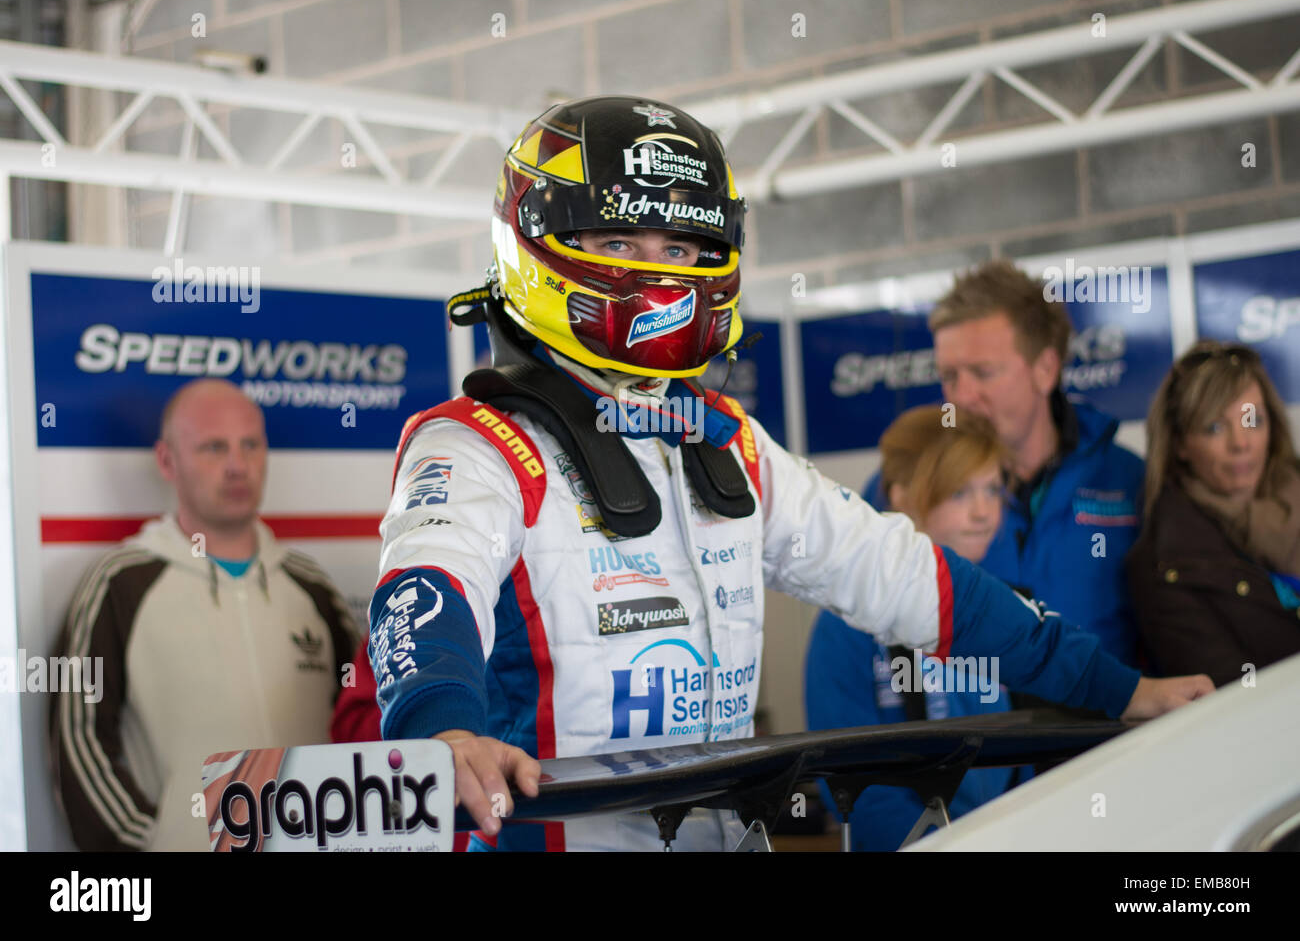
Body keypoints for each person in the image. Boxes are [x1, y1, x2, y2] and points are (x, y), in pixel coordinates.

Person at [370, 95, 1211, 852]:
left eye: (681, 243)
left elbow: (912, 580)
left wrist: (1120, 692)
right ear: (539, 243)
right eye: (619, 240)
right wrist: (442, 733)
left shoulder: (726, 441)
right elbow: (423, 590)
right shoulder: (475, 444)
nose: (658, 269)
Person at [50, 379, 357, 851]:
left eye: (250, 445)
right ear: (167, 461)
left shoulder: (310, 586)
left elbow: (361, 723)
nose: (238, 466)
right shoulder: (120, 585)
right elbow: (79, 743)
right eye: (214, 448)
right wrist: (155, 845)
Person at [866, 261, 1147, 668]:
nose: (962, 397)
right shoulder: (904, 485)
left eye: (983, 373)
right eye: (950, 376)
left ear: (1045, 369)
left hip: (1120, 729)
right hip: (970, 730)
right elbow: (856, 645)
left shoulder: (1128, 481)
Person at [806, 405, 1023, 850]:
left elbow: (1027, 757)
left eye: (993, 490)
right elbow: (852, 785)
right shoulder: (846, 623)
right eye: (960, 493)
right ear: (901, 495)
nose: (984, 512)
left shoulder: (1006, 607)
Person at [1127, 341, 1300, 687]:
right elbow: (1231, 700)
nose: (1241, 443)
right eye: (1215, 428)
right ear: (1180, 444)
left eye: (1253, 420)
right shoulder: (1162, 565)